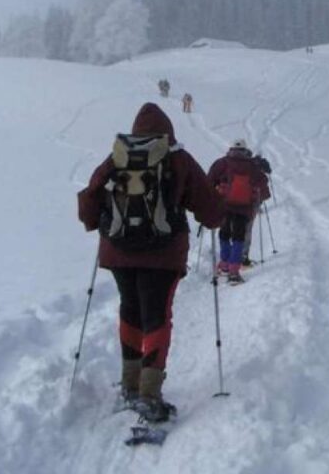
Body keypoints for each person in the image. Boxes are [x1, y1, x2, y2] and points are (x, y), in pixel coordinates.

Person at [77, 103, 224, 422]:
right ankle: (150, 394)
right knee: (157, 317)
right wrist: (215, 216)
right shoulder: (178, 158)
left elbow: (90, 197)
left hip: (118, 252)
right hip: (163, 253)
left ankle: (130, 385)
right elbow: (210, 210)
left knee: (130, 311)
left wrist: (95, 222)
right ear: (167, 131)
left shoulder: (117, 156)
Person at [207, 139, 270, 284]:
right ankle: (234, 271)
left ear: (231, 149)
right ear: (246, 150)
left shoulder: (222, 163)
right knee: (238, 237)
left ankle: (224, 264)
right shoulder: (253, 166)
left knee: (224, 233)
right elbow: (263, 186)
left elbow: (209, 180)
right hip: (244, 208)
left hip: (224, 205)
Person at [241, 153, 273, 266]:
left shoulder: (241, 165)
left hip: (234, 201)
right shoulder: (258, 168)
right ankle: (243, 257)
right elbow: (265, 180)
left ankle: (230, 257)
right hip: (251, 203)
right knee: (247, 229)